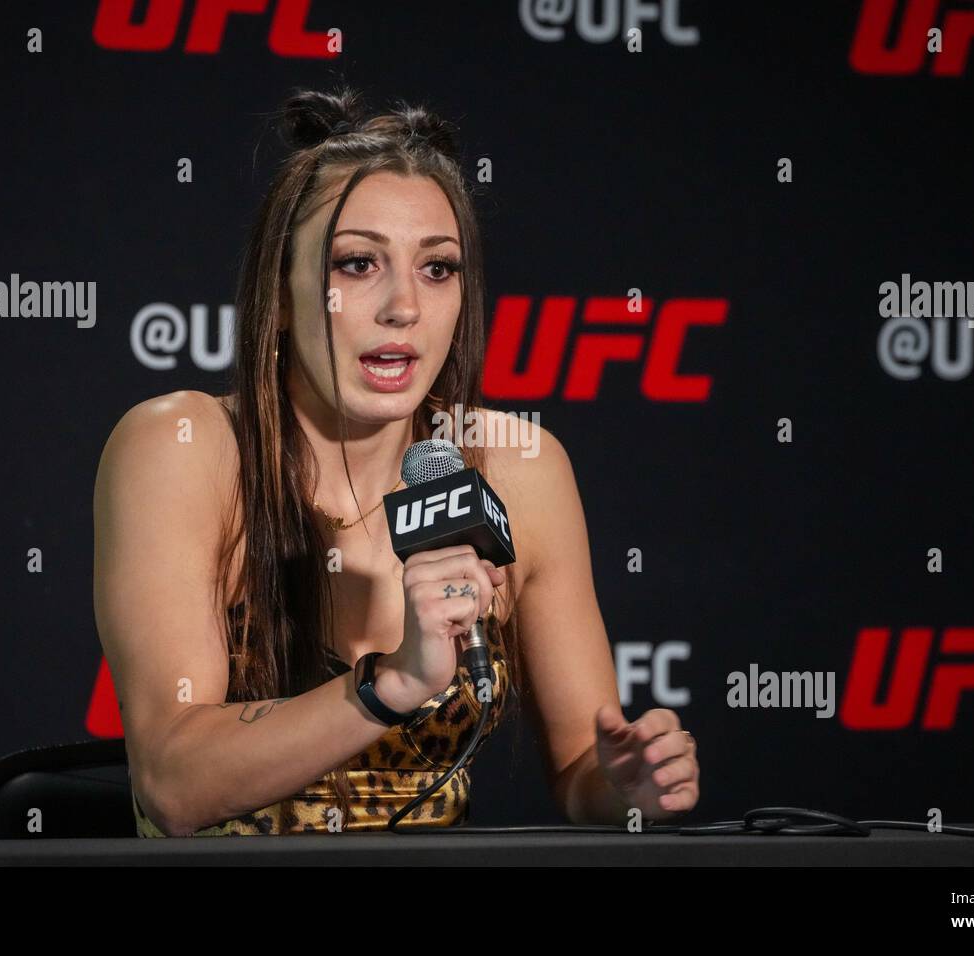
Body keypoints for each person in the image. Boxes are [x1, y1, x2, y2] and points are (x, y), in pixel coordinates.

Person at [92, 86, 699, 836]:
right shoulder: (183, 448)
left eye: (437, 269)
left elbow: (582, 776)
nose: (403, 306)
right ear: (280, 294)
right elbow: (174, 784)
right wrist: (392, 684)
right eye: (357, 264)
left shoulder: (520, 466)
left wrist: (627, 787)